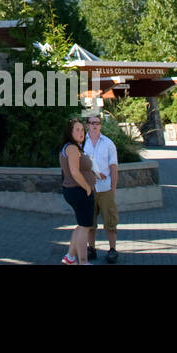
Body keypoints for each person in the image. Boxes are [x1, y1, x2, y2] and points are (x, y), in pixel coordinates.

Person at [58, 117, 97, 265]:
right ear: (70, 132)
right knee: (85, 227)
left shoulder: (70, 147)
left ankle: (70, 257)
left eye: (82, 129)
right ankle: (83, 261)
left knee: (81, 225)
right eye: (77, 130)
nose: (81, 132)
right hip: (79, 191)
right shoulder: (72, 148)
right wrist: (87, 187)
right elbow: (74, 172)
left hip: (74, 191)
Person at [83, 113, 119, 263]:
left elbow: (113, 167)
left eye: (97, 122)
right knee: (90, 223)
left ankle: (112, 249)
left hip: (105, 189)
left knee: (110, 221)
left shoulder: (108, 143)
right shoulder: (81, 143)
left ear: (100, 125)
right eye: (91, 123)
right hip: (88, 188)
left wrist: (113, 188)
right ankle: (91, 248)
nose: (94, 125)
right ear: (87, 125)